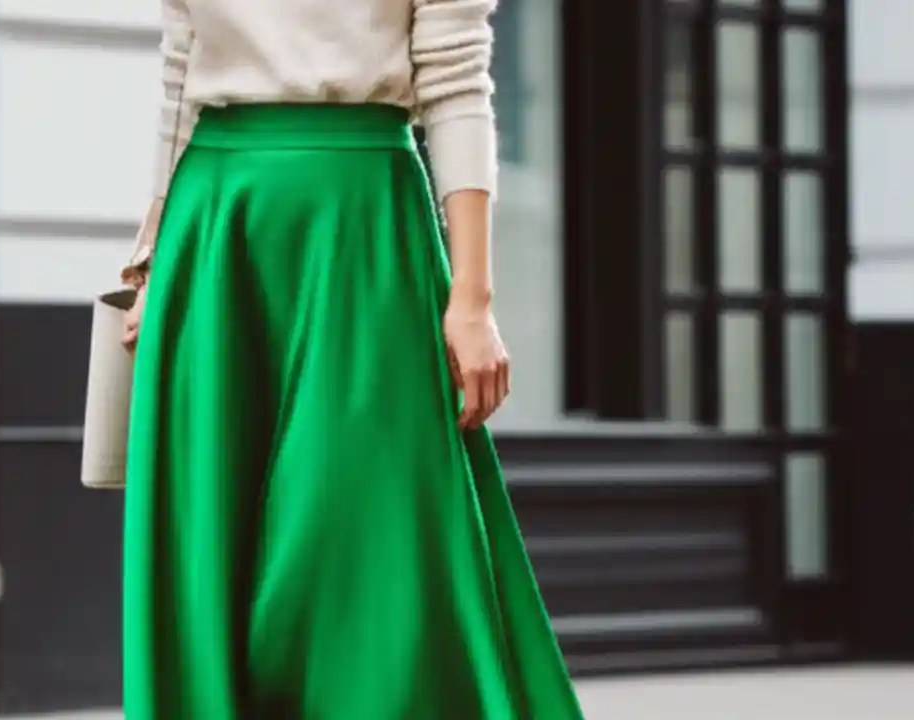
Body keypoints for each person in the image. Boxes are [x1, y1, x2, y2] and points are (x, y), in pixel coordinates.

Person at [119, 1, 585, 717]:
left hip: (361, 224)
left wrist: (472, 298)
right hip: (216, 228)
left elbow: (458, 78)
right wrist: (153, 254)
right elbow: (181, 62)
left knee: (354, 537)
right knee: (215, 553)